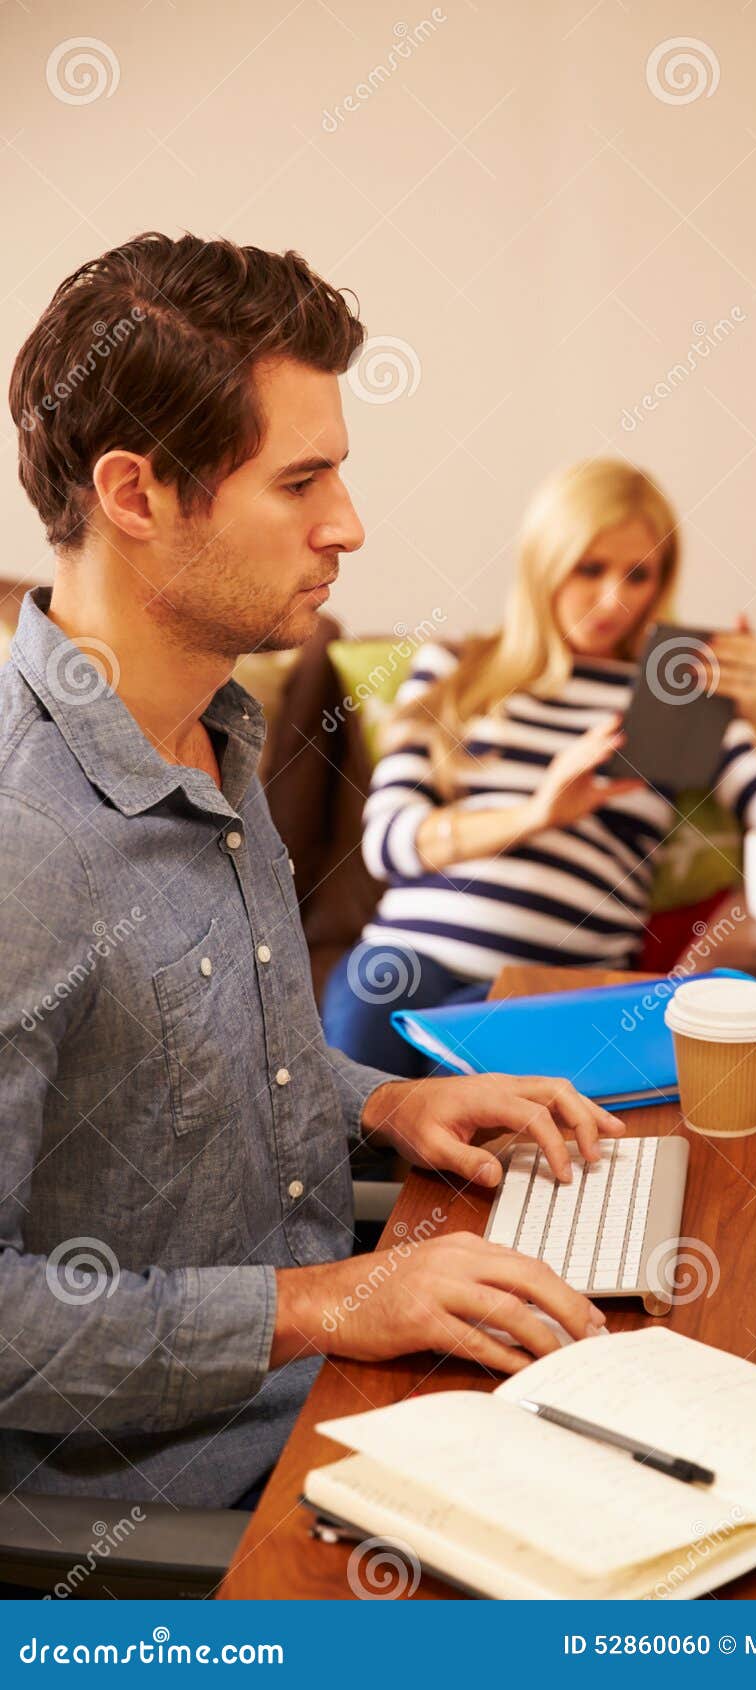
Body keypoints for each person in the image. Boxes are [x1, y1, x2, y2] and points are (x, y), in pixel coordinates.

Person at [0, 232, 619, 1510]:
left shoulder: (214, 730)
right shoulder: (24, 844)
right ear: (136, 494)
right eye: (302, 481)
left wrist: (383, 1106)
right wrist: (327, 1297)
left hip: (327, 1396)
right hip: (173, 1509)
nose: (347, 524)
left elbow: (175, 1059)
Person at [323, 459, 756, 1076]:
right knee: (350, 1079)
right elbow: (387, 843)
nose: (614, 599)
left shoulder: (673, 696)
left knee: (465, 1115)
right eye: (590, 569)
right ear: (545, 564)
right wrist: (537, 813)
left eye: (639, 574)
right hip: (407, 958)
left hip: (555, 987)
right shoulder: (458, 670)